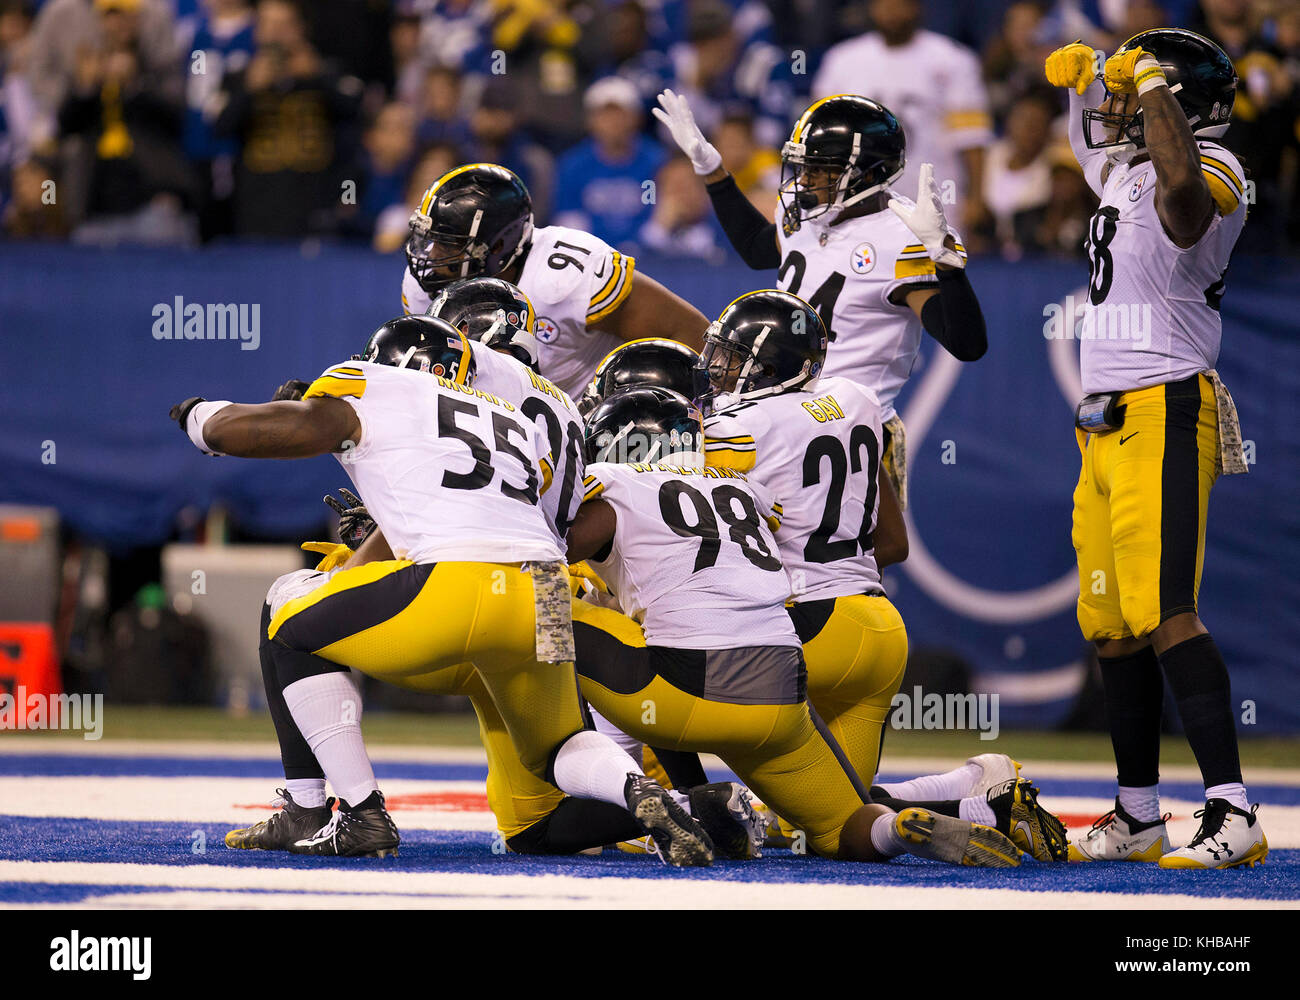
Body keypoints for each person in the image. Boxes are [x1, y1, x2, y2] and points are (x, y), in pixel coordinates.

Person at [171, 313, 715, 865]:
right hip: (549, 591)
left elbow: (242, 431)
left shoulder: (377, 384)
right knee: (558, 745)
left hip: (455, 586)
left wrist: (198, 416)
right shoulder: (511, 413)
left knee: (284, 607)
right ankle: (643, 792)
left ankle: (349, 812)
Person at [566, 385, 1024, 867]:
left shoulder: (613, 483)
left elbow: (550, 549)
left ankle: (586, 787)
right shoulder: (747, 492)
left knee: (550, 610)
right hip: (784, 693)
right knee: (839, 829)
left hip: (689, 693)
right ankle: (894, 828)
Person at [1045, 28, 1266, 869]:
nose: (1117, 110)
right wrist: (1081, 91)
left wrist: (1146, 88)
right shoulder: (1129, 167)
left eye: (1134, 97)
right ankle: (1138, 814)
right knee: (1112, 626)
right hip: (1101, 422)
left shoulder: (1215, 169)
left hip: (1167, 405)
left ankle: (1233, 809)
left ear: (1172, 103)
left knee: (1168, 612)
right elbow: (1093, 149)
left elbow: (1182, 207)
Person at [654, 89, 987, 506]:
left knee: (846, 561)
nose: (805, 179)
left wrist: (947, 266)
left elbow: (967, 344)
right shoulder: (810, 213)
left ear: (868, 173)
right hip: (778, 415)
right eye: (803, 165)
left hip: (852, 428)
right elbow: (759, 248)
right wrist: (712, 169)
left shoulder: (905, 236)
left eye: (819, 168)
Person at [400, 162, 708, 398]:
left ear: (498, 247)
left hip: (586, 441)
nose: (433, 255)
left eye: (449, 244)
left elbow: (687, 332)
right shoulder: (424, 285)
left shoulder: (564, 276)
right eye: (430, 239)